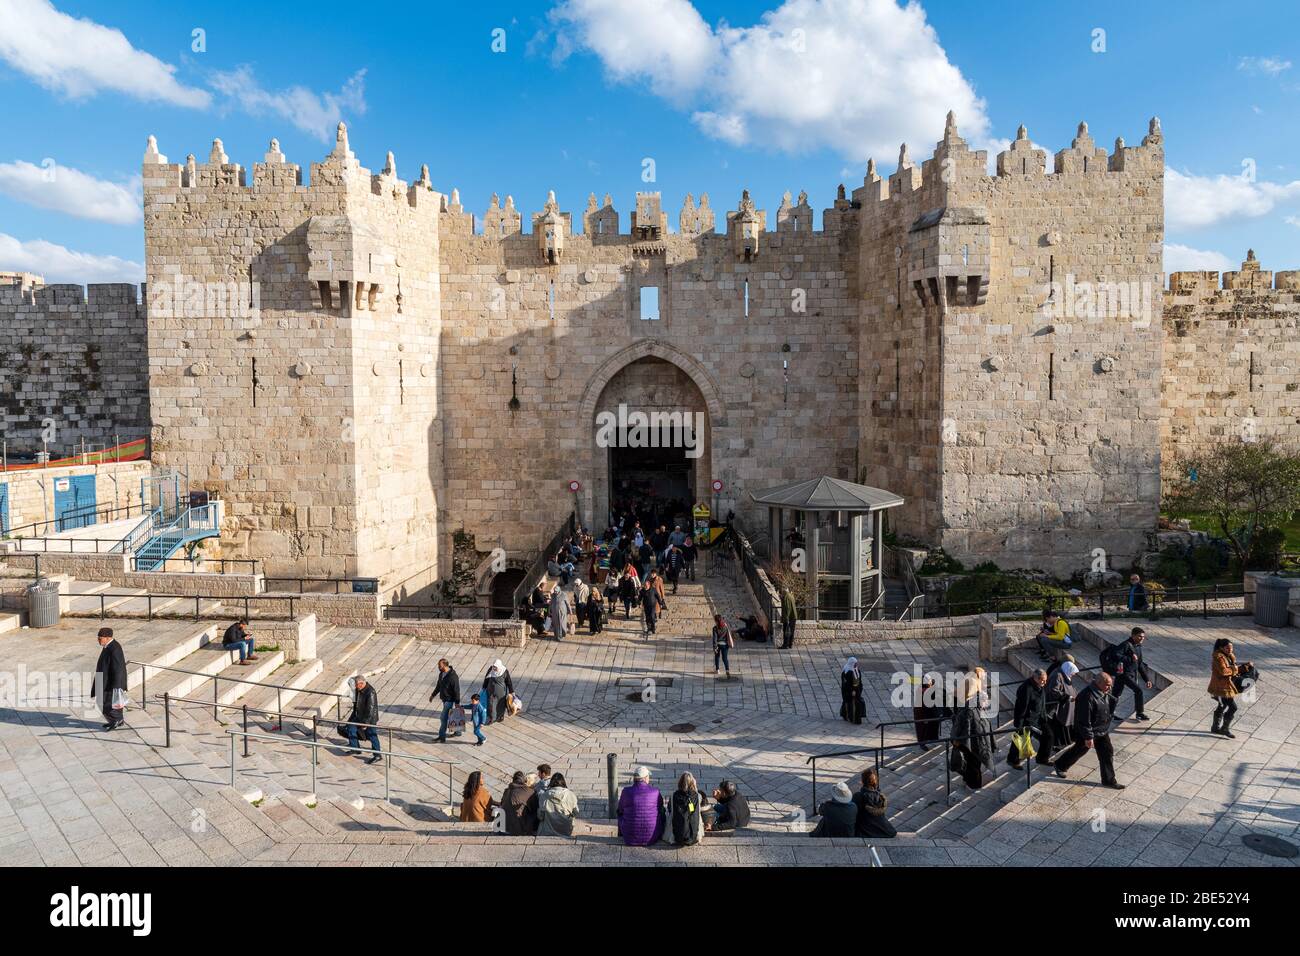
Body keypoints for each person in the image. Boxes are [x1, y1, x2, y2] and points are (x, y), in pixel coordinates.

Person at [1054, 673, 1124, 789]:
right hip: (1087, 731)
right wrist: (1088, 737)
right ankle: (1060, 765)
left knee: (1107, 752)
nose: (1109, 688)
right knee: (1080, 749)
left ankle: (1108, 780)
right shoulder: (1086, 697)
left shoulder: (1102, 691)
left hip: (1101, 730)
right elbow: (1084, 720)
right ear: (1099, 683)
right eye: (1107, 685)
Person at [950, 672, 994, 789]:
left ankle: (969, 782)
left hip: (972, 740)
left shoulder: (969, 704)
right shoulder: (969, 707)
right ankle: (972, 785)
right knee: (973, 764)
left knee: (971, 763)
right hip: (973, 741)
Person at [1105, 627, 1152, 722]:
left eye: (1143, 637)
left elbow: (1140, 665)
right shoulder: (1126, 645)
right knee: (1138, 691)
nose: (1142, 638)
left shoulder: (1138, 647)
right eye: (1140, 636)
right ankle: (1139, 713)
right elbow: (1115, 654)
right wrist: (1130, 658)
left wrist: (1147, 679)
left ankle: (1109, 714)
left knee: (1115, 694)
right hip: (1124, 674)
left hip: (1127, 674)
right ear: (1133, 635)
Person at [1009, 669, 1054, 769]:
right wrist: (1019, 724)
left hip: (1039, 718)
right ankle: (1013, 760)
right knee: (1020, 739)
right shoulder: (1026, 689)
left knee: (1048, 735)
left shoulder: (1039, 686)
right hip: (1027, 720)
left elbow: (1041, 703)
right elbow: (1021, 708)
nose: (1045, 683)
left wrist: (1044, 717)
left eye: (1045, 680)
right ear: (1036, 678)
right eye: (1043, 680)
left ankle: (1042, 758)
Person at [1208, 638, 1249, 739]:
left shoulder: (1228, 656)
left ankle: (1215, 727)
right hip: (1221, 688)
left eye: (1231, 648)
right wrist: (1236, 669)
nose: (1230, 650)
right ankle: (1224, 729)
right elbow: (1224, 671)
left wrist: (1244, 667)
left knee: (1222, 706)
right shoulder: (1218, 657)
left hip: (1227, 686)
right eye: (1227, 648)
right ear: (1221, 648)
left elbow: (1232, 669)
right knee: (1233, 707)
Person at [616, 766, 666, 846]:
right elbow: (660, 806)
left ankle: (621, 834)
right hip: (652, 837)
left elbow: (620, 810)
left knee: (620, 812)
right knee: (662, 811)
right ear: (646, 778)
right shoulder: (655, 792)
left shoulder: (626, 791)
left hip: (629, 838)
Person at [92, 627, 128, 731]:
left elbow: (118, 668)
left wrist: (116, 686)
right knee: (111, 702)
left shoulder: (114, 648)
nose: (98, 640)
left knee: (106, 703)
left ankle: (115, 720)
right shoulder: (108, 646)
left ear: (108, 638)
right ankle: (117, 720)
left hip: (111, 683)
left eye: (100, 638)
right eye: (98, 638)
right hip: (105, 680)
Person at [344, 676, 383, 764]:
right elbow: (356, 706)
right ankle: (355, 748)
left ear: (361, 684)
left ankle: (377, 755)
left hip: (369, 719)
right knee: (351, 727)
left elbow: (371, 709)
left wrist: (366, 723)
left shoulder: (370, 692)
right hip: (359, 716)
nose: (355, 687)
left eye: (356, 685)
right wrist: (351, 719)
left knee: (372, 735)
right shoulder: (359, 690)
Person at [1044, 659, 1079, 752]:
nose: (1074, 674)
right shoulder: (1057, 675)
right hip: (1058, 707)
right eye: (1073, 672)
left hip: (1066, 706)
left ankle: (1067, 741)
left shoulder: (1062, 673)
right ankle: (1058, 744)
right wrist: (1066, 697)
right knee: (1059, 726)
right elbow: (1054, 690)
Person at [853, 768, 897, 838]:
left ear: (862, 781)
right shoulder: (880, 797)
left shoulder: (858, 796)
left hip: (864, 830)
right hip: (883, 829)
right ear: (875, 781)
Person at [535, 772, 579, 837]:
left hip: (547, 830)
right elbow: (576, 813)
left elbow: (541, 816)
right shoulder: (571, 794)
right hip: (566, 830)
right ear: (563, 782)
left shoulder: (544, 796)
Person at [428, 658, 461, 742]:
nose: (438, 667)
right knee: (451, 716)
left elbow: (457, 690)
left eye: (440, 665)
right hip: (444, 699)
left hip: (449, 700)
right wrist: (433, 695)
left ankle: (442, 737)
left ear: (445, 665)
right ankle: (458, 732)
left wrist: (457, 702)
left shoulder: (453, 677)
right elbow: (439, 686)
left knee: (443, 718)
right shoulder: (441, 673)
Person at [669, 772, 705, 846]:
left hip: (677, 836)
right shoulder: (698, 796)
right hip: (693, 837)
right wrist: (695, 788)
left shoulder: (674, 795)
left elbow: (670, 810)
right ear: (693, 783)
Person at [913, 675, 947, 751]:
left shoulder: (930, 687)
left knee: (933, 725)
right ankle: (922, 743)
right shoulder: (921, 691)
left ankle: (932, 738)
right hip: (922, 713)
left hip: (930, 710)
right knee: (922, 729)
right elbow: (921, 707)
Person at [499, 770, 540, 835]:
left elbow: (501, 804)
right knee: (537, 812)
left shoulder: (506, 791)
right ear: (524, 780)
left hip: (503, 827)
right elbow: (535, 808)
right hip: (519, 828)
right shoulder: (530, 792)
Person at [482, 659, 514, 724]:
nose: (494, 668)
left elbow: (509, 682)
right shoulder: (491, 669)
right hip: (491, 692)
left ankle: (500, 717)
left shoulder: (504, 671)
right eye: (494, 666)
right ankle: (492, 718)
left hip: (501, 693)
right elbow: (486, 678)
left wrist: (511, 691)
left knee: (501, 705)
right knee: (491, 704)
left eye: (496, 667)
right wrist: (484, 687)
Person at [840, 657, 865, 724]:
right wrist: (852, 691)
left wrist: (859, 688)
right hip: (850, 692)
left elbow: (858, 680)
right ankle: (852, 718)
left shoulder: (856, 670)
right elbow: (846, 684)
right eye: (855, 664)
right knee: (852, 705)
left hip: (857, 691)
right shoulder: (847, 672)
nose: (856, 665)